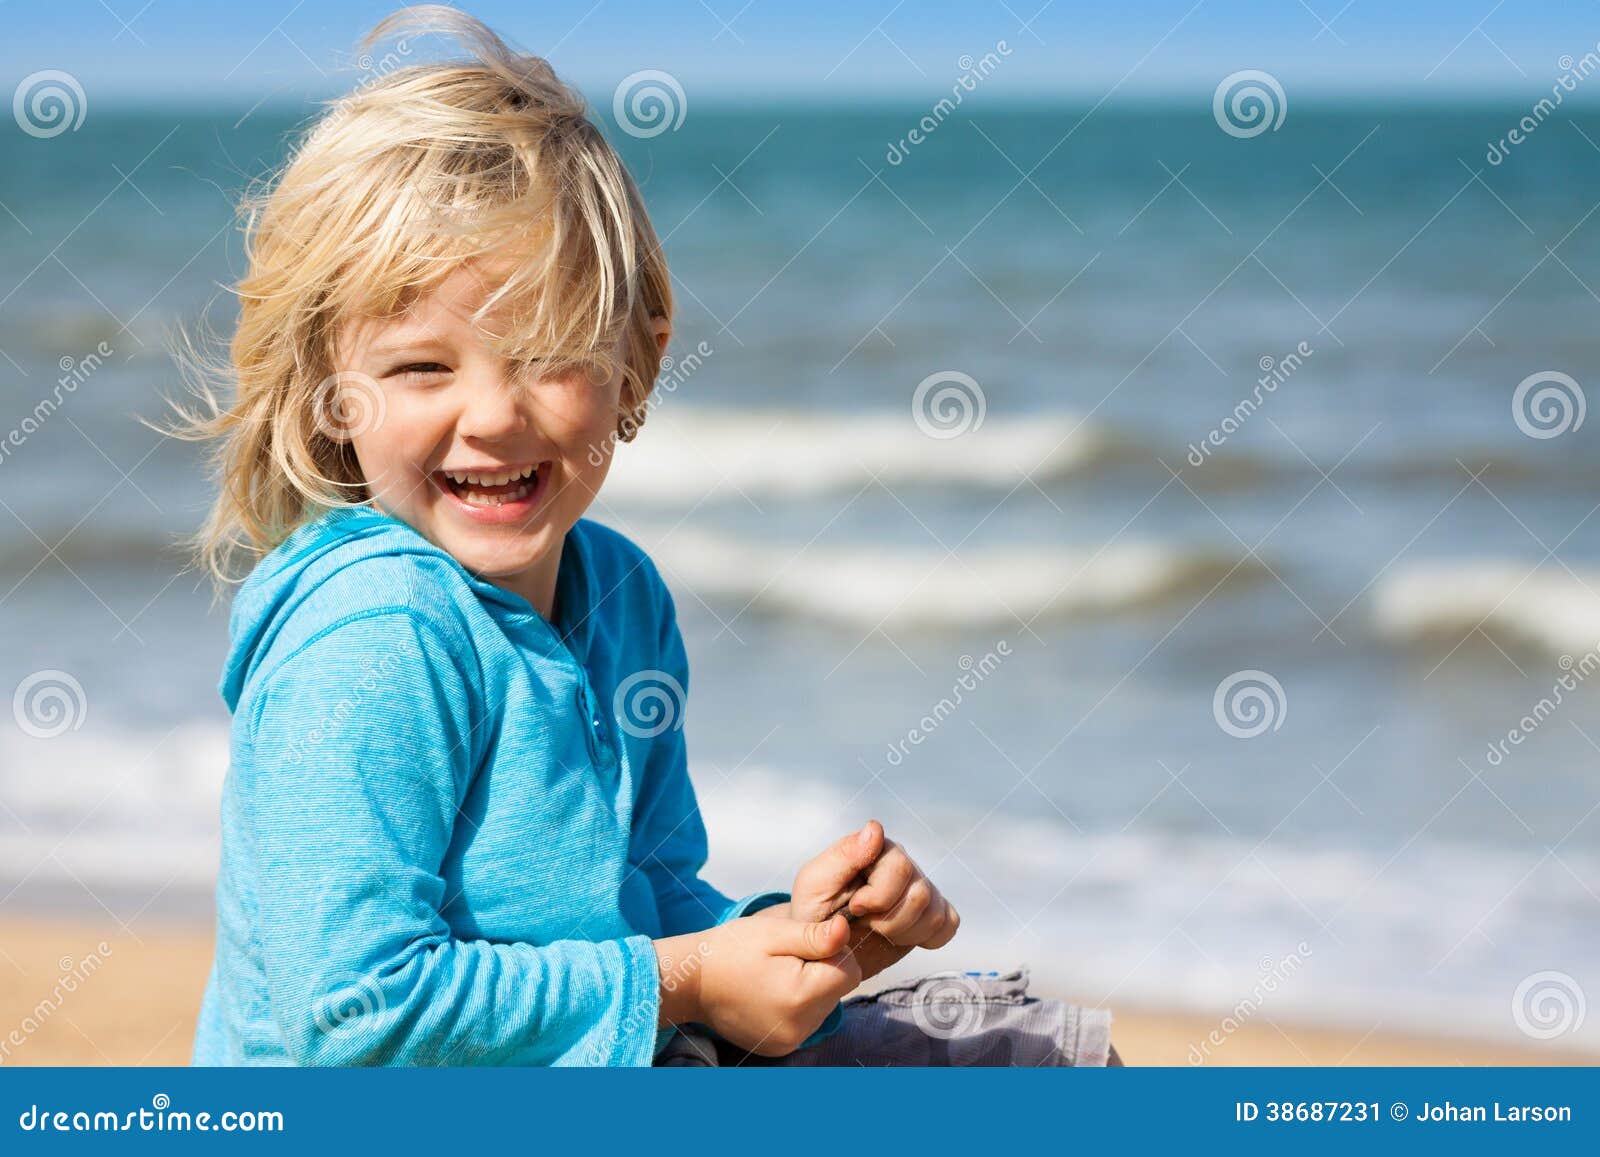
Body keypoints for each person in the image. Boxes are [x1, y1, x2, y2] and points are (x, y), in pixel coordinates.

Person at [179, 4, 1113, 1067]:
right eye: (422, 367)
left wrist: (798, 939)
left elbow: (650, 893)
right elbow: (355, 1014)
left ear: (637, 363)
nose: (492, 414)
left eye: (547, 353)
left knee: (1025, 1050)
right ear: (326, 398)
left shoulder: (620, 594)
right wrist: (691, 980)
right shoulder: (376, 637)